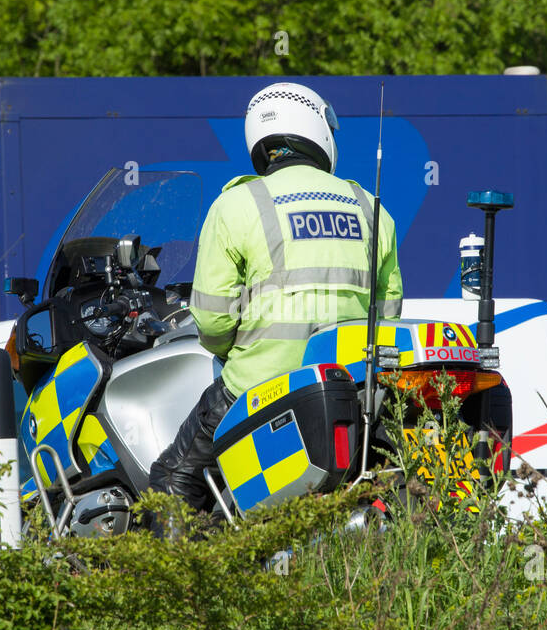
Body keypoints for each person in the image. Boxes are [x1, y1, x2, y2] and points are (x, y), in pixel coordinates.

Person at [148, 82, 403, 514]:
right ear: (317, 128)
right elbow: (391, 309)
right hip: (355, 386)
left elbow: (211, 321)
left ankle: (182, 583)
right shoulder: (369, 206)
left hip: (262, 387)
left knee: (172, 480)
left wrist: (234, 349)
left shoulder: (237, 205)